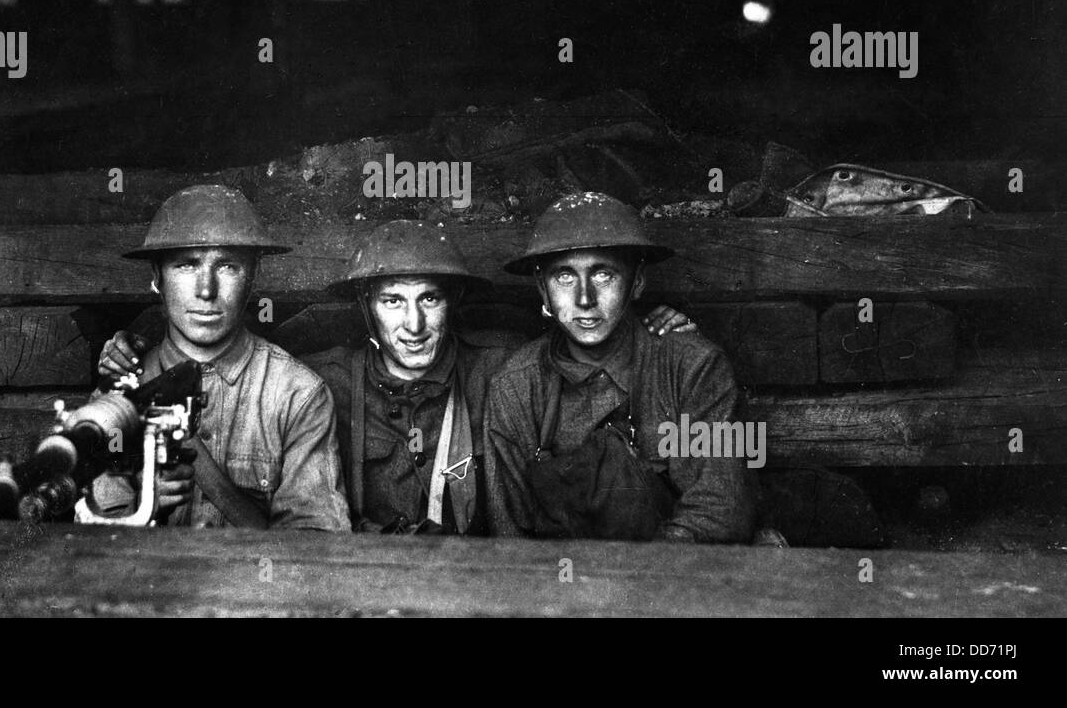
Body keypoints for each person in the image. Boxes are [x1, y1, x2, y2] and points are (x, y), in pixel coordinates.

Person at [100, 217, 696, 535]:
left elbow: (578, 358)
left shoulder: (505, 373)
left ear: (455, 304)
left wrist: (654, 328)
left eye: (430, 300)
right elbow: (232, 344)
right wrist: (127, 346)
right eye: (391, 302)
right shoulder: (322, 379)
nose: (412, 325)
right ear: (364, 310)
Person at [485, 191, 758, 543]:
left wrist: (633, 579)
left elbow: (721, 507)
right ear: (542, 288)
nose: (585, 299)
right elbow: (509, 533)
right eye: (565, 277)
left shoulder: (692, 367)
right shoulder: (517, 386)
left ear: (637, 281)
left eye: (603, 275)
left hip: (676, 580)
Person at [88, 184, 350, 531]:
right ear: (156, 278)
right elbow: (92, 544)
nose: (206, 289)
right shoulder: (117, 397)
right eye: (186, 265)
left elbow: (314, 549)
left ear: (253, 276)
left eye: (227, 266)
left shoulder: (297, 395)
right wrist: (141, 508)